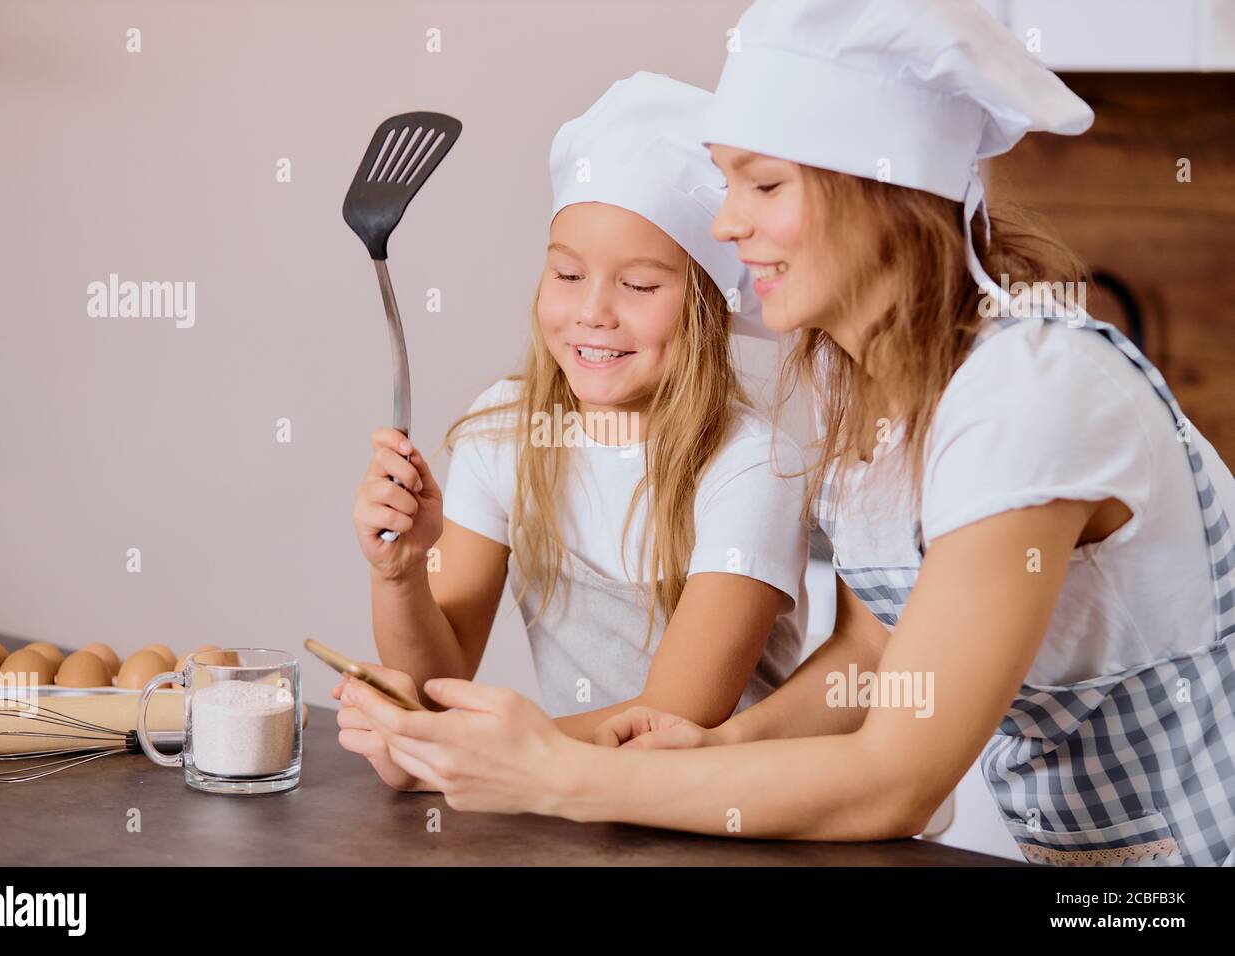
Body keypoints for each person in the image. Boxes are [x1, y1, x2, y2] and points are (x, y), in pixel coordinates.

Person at [337, 0, 1235, 867]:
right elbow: (873, 652)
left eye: (764, 184)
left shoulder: (1034, 391)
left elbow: (896, 784)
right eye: (728, 183)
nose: (728, 224)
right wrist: (707, 746)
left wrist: (566, 776)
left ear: (882, 189)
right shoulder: (860, 384)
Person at [342, 72, 809, 792]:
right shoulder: (504, 432)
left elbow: (674, 720)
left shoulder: (752, 466)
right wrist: (399, 575)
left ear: (708, 307)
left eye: (640, 285)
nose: (593, 311)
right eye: (567, 273)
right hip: (575, 810)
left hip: (731, 818)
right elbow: (439, 675)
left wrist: (450, 751)